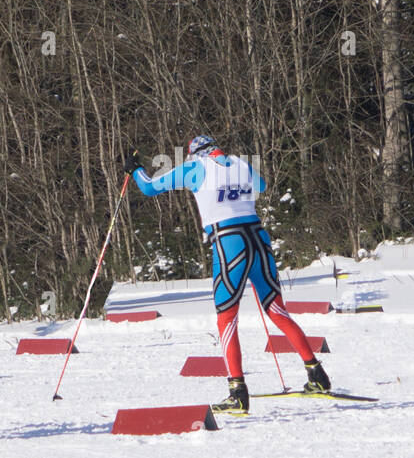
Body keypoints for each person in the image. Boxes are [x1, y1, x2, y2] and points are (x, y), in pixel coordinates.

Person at [126, 135, 330, 414]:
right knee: (276, 310)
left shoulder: (195, 167)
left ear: (195, 153)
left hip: (228, 241)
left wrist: (134, 168)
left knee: (226, 317)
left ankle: (237, 392)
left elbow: (149, 188)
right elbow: (261, 186)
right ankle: (316, 374)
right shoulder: (240, 162)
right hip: (258, 237)